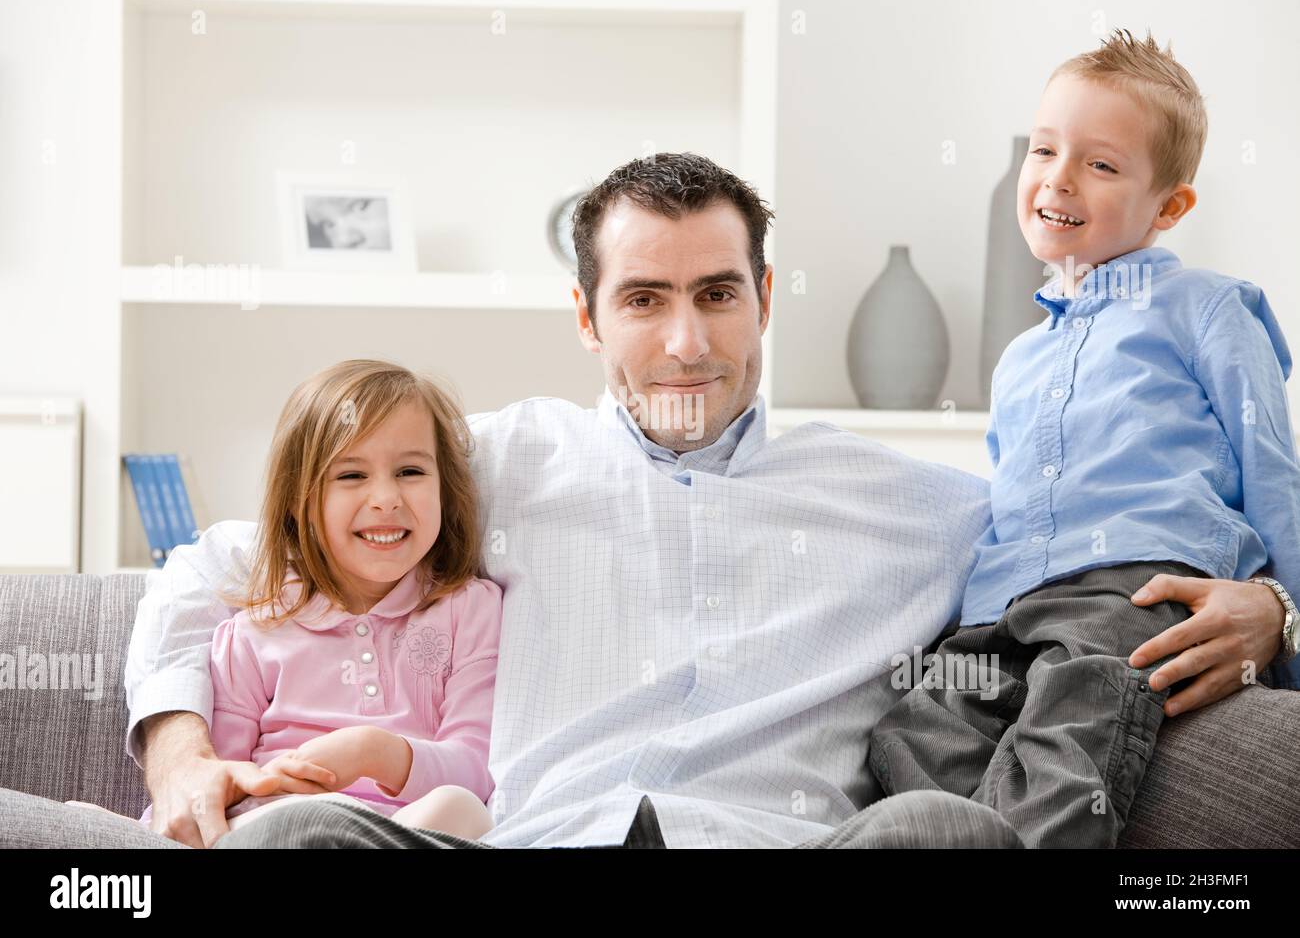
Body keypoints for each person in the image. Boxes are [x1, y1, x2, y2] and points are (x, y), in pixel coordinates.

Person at [0, 153, 1288, 850]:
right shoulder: (479, 463)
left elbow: (1097, 550)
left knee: (942, 829)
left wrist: (1271, 599)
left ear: (766, 301)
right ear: (584, 316)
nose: (685, 341)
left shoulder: (914, 504)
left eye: (717, 294)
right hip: (515, 843)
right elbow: (218, 559)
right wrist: (177, 748)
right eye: (643, 298)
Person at [868, 30, 1300, 848]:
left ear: (1169, 206)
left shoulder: (1208, 309)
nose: (1058, 178)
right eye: (1044, 150)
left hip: (1131, 594)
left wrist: (1288, 624)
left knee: (1073, 733)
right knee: (912, 728)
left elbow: (1274, 473)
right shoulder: (1019, 359)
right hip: (1003, 614)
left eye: (1101, 165)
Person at [70, 360, 501, 843]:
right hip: (275, 822)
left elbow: (478, 767)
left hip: (403, 829)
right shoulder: (256, 627)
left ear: (446, 485)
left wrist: (372, 752)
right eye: (352, 475)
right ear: (299, 499)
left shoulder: (471, 610)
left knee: (459, 808)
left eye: (410, 470)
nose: (385, 497)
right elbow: (218, 780)